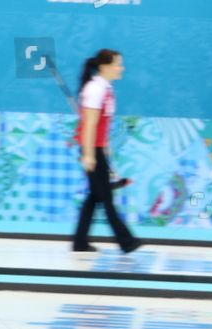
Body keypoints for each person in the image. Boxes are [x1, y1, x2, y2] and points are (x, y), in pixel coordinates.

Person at [72, 49, 141, 254]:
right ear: (104, 66)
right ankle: (126, 241)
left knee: (95, 197)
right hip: (91, 147)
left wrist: (106, 149)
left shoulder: (105, 88)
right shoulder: (95, 89)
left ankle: (80, 242)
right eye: (118, 64)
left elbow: (102, 124)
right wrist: (89, 154)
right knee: (106, 198)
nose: (122, 68)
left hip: (98, 146)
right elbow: (90, 124)